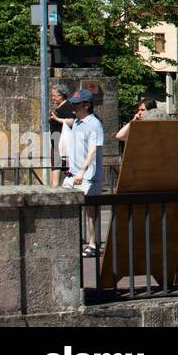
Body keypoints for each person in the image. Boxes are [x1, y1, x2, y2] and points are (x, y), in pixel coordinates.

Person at [67, 90, 105, 257]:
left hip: (88, 176)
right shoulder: (77, 122)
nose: (73, 106)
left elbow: (92, 150)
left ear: (87, 105)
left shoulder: (94, 124)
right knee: (66, 206)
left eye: (77, 103)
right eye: (73, 103)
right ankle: (74, 241)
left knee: (91, 211)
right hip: (73, 174)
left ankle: (93, 244)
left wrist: (82, 171)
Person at [48, 84, 74, 187]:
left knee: (57, 166)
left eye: (55, 96)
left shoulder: (68, 105)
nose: (53, 98)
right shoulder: (60, 106)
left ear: (62, 95)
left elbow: (72, 121)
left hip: (62, 143)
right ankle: (52, 189)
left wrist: (57, 119)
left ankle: (54, 191)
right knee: (55, 166)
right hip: (56, 142)